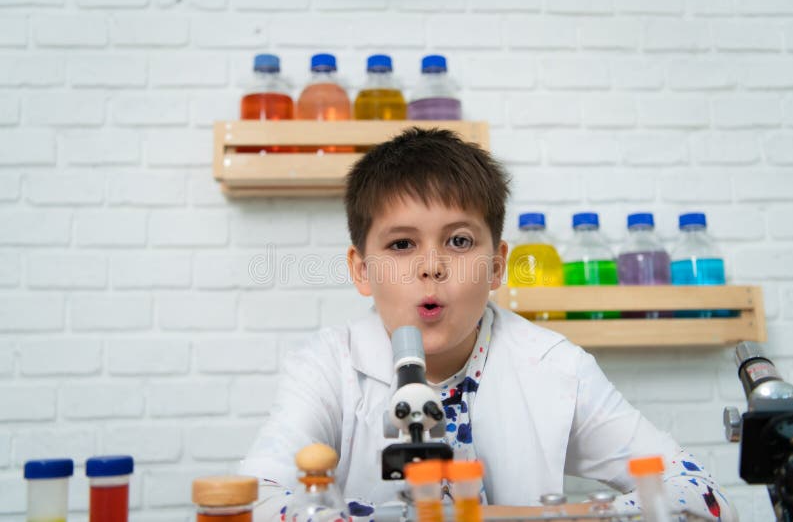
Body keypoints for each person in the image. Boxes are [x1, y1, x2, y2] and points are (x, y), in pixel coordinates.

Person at [240, 128, 736, 521]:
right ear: (361, 270)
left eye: (458, 242)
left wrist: (544, 517)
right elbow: (255, 499)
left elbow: (704, 495)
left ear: (497, 267)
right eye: (401, 245)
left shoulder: (556, 366)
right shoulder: (327, 367)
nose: (431, 267)